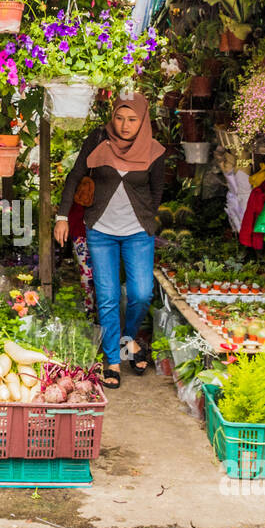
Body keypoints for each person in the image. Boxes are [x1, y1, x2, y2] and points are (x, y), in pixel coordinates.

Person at [54, 93, 166, 389]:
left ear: (143, 120)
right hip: (100, 230)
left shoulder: (154, 150)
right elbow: (75, 177)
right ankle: (113, 359)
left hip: (138, 232)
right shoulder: (97, 140)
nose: (125, 125)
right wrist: (62, 216)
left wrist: (144, 219)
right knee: (107, 296)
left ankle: (128, 340)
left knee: (142, 293)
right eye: (120, 117)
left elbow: (157, 193)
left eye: (132, 119)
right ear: (112, 116)